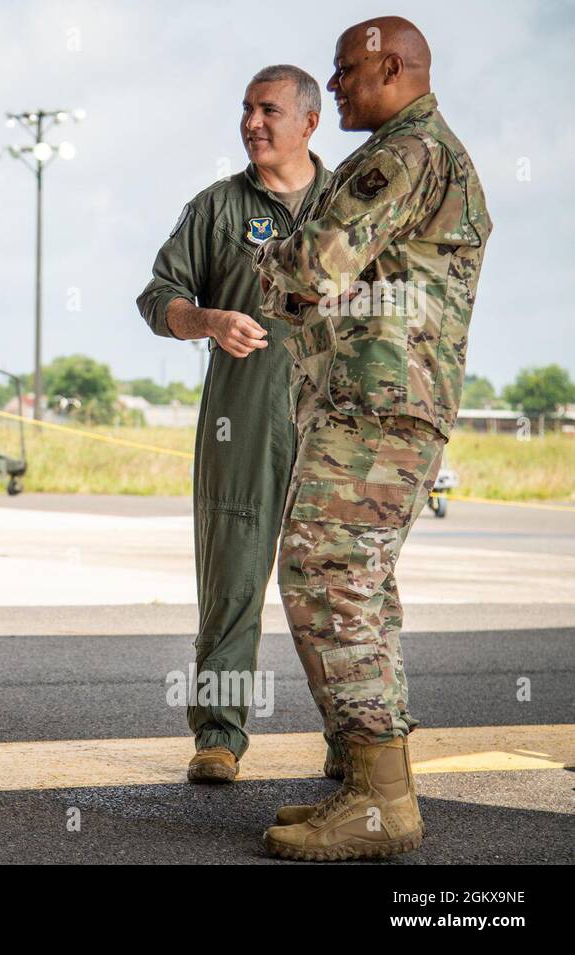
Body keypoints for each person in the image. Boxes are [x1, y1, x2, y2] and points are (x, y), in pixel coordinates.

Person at [254, 16, 491, 859]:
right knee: (358, 583)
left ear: (394, 66)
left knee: (326, 573)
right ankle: (371, 784)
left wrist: (273, 264)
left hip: (377, 405)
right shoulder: (423, 152)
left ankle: (383, 801)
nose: (340, 83)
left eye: (347, 71)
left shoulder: (406, 153)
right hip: (379, 402)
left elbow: (313, 268)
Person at [137, 66, 332, 784]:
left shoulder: (349, 203)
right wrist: (207, 320)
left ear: (309, 122)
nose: (252, 122)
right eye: (246, 109)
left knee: (338, 586)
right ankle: (219, 733)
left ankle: (356, 739)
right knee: (232, 580)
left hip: (335, 423)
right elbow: (158, 295)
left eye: (268, 109)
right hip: (241, 421)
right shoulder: (218, 208)